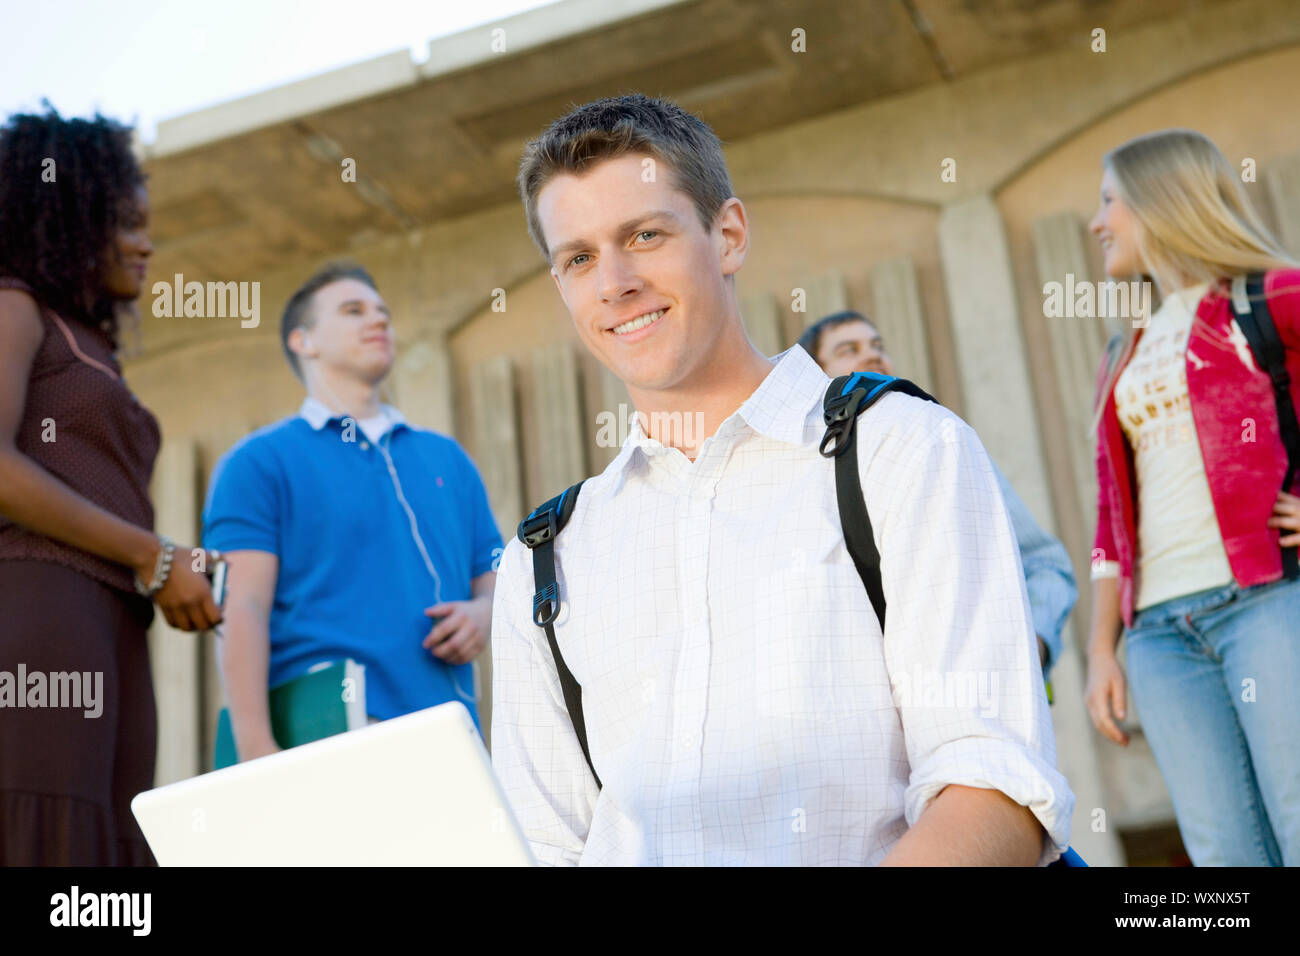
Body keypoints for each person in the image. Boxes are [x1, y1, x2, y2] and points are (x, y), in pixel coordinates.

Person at [490, 94, 1073, 866]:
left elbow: (992, 789)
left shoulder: (902, 449)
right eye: (579, 258)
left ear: (727, 235)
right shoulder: (543, 559)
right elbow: (542, 847)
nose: (615, 282)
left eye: (645, 235)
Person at [0, 107, 221, 865]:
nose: (146, 242)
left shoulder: (86, 341)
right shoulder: (14, 305)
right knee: (48, 833)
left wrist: (165, 565)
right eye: (126, 221)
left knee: (112, 848)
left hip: (116, 624)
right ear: (67, 210)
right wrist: (155, 557)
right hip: (40, 609)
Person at [1083, 128, 1300, 865]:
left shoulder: (1272, 297)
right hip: (1159, 638)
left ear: (1159, 200)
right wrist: (1101, 650)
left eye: (1110, 200)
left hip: (1268, 603)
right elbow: (1113, 517)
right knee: (1223, 859)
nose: (1097, 221)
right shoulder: (1125, 349)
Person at [201, 263, 503, 760]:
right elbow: (243, 606)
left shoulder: (449, 459)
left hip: (452, 738)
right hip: (326, 732)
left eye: (383, 312)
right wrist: (256, 748)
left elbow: (493, 575)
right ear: (304, 341)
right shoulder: (256, 463)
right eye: (353, 311)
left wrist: (484, 612)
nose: (379, 321)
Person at [798, 310, 1078, 678]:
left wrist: (1032, 648)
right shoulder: (800, 475)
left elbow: (1045, 564)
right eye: (849, 349)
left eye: (878, 346)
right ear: (815, 373)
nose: (872, 355)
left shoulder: (943, 445)